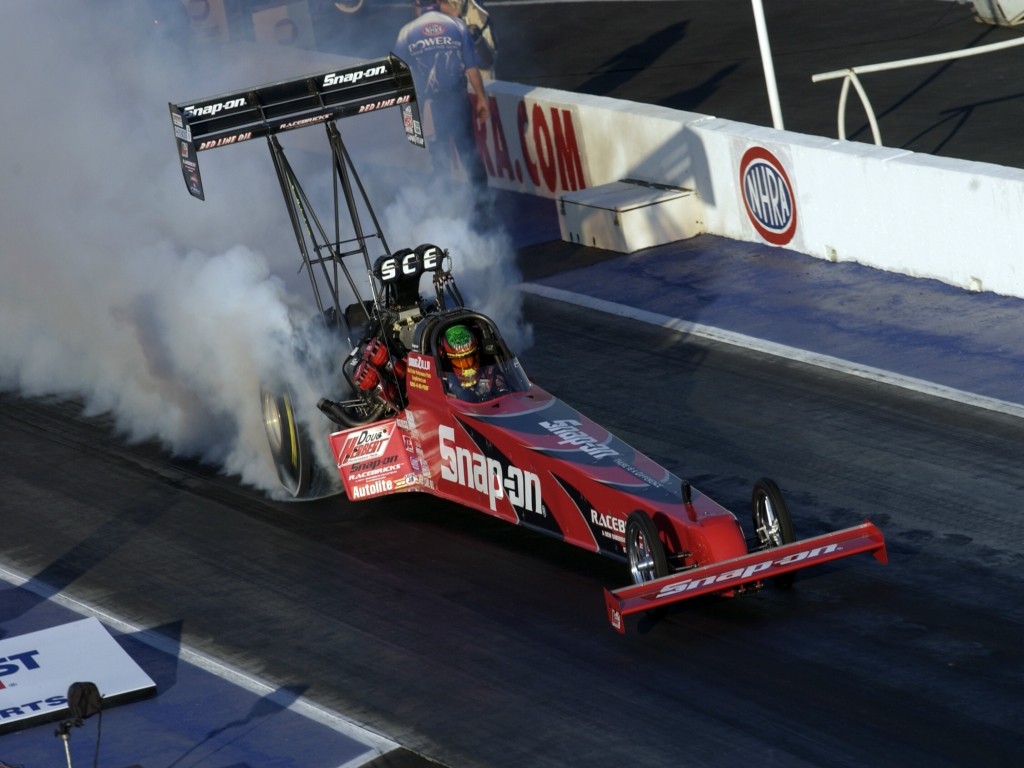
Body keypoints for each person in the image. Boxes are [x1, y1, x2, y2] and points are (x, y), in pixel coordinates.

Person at [395, 0, 489, 187]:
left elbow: (400, 78)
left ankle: (445, 206)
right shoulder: (457, 26)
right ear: (438, 3)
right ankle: (483, 207)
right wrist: (481, 99)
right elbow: (472, 68)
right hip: (457, 99)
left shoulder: (406, 32)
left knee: (440, 158)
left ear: (417, 5)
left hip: (431, 105)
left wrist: (410, 115)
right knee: (468, 153)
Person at [441, 324, 506, 402]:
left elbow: (505, 394)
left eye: (470, 357)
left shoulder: (490, 372)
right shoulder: (441, 381)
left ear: (477, 353)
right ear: (447, 360)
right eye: (459, 360)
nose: (468, 364)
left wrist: (502, 390)